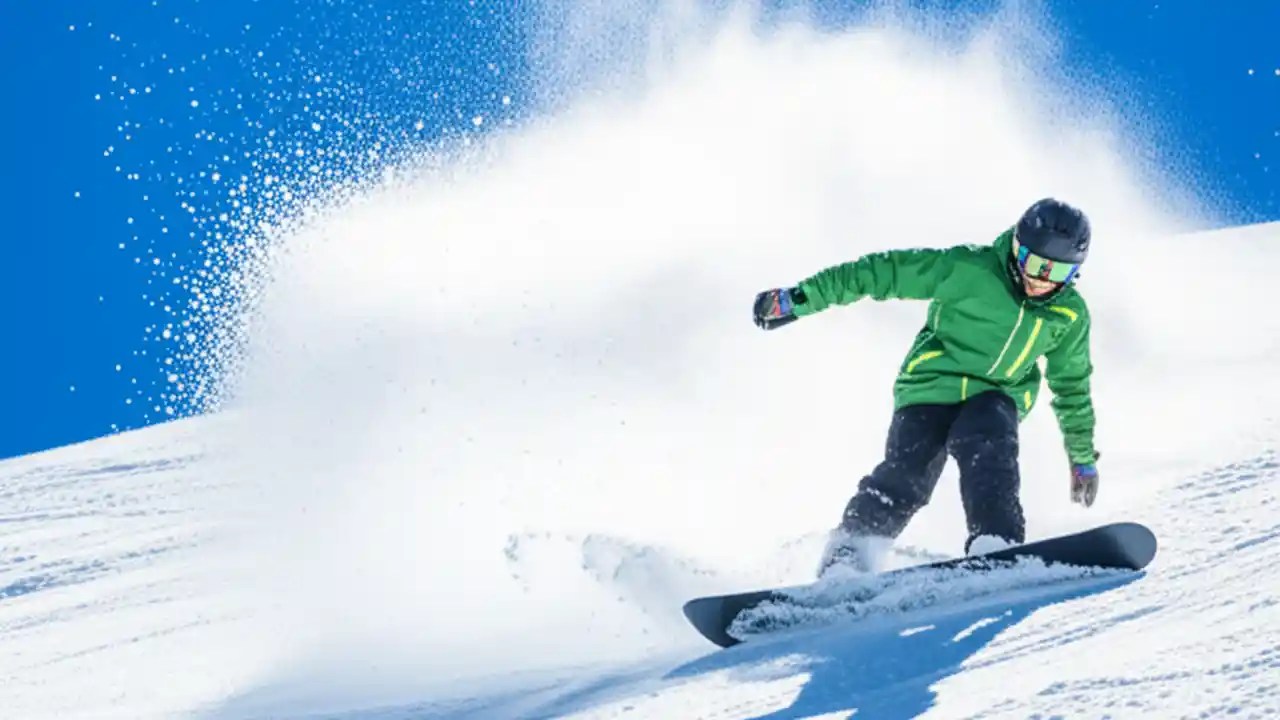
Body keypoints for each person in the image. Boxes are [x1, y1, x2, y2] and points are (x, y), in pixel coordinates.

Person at [752, 198, 1100, 576]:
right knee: (907, 474)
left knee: (990, 444)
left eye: (1059, 272)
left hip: (997, 396)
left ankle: (995, 542)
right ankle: (849, 554)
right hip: (930, 387)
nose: (1041, 280)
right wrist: (798, 300)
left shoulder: (1069, 315)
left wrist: (1082, 458)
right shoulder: (967, 268)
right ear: (1017, 247)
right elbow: (881, 272)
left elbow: (1072, 386)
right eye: (1035, 264)